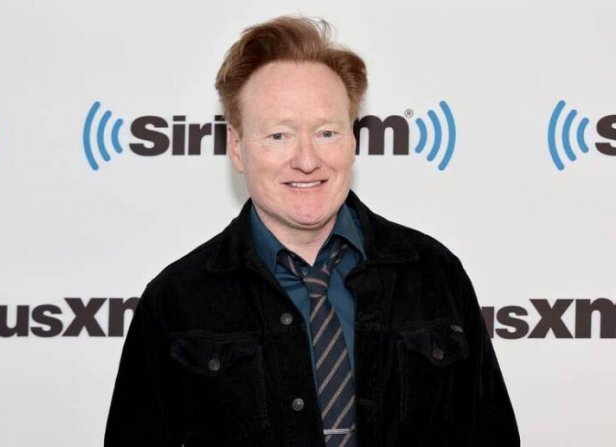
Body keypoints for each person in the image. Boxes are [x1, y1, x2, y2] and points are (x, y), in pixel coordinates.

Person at [105, 16, 520, 447]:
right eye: (279, 135)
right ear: (237, 148)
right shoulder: (175, 302)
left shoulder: (433, 276)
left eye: (326, 132)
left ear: (353, 141)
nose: (306, 160)